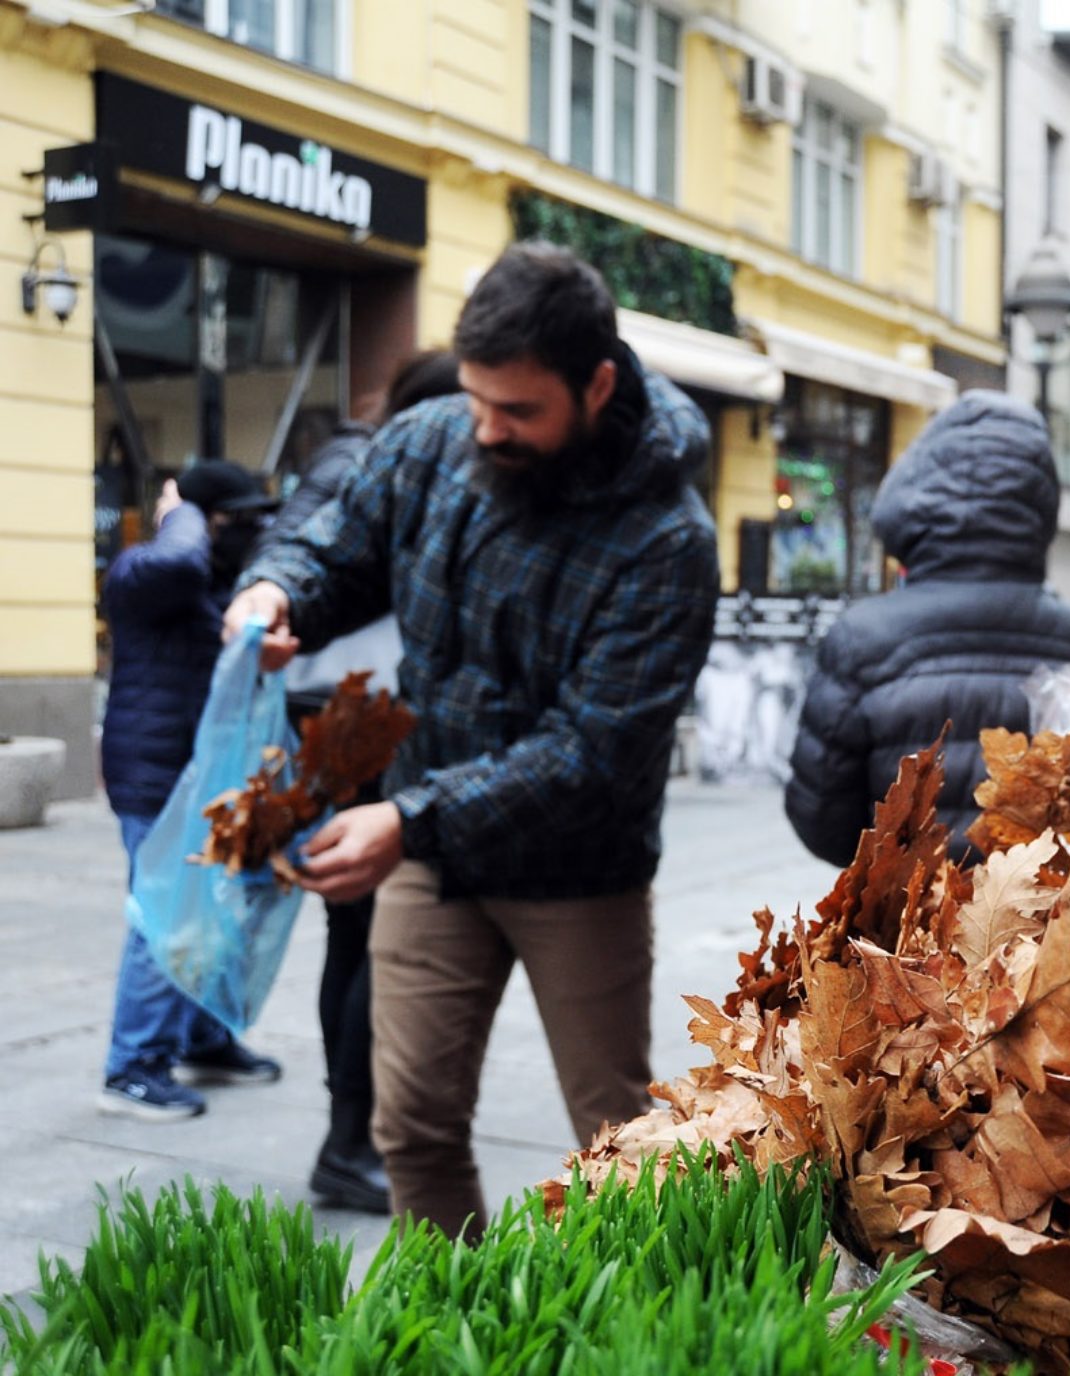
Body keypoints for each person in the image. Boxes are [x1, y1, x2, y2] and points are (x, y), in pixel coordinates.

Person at [227, 243, 719, 1238]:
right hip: (430, 855)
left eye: (519, 410)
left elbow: (591, 754)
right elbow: (337, 545)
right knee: (408, 1124)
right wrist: (279, 591)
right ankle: (455, 1308)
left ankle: (649, 1315)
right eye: (476, 398)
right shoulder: (428, 441)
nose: (487, 428)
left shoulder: (668, 538)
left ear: (598, 385)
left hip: (578, 871)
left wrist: (405, 821)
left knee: (621, 1145)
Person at [253, 351, 463, 1216]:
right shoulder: (365, 460)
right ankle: (351, 1141)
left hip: (356, 710)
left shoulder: (360, 452)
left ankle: (356, 1134)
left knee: (360, 928)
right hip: (353, 714)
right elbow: (295, 558)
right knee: (376, 927)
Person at [784, 391, 1070, 867]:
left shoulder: (861, 640)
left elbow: (823, 821)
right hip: (1050, 913)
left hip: (904, 910)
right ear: (1040, 506)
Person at [100, 460, 284, 1118]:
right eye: (231, 519)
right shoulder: (144, 571)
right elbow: (177, 562)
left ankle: (204, 1038)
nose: (246, 531)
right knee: (165, 916)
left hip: (206, 777)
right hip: (154, 775)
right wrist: (180, 512)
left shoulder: (216, 582)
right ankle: (133, 1068)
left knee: (212, 915)